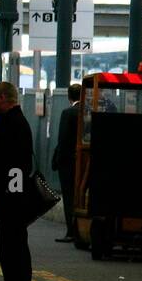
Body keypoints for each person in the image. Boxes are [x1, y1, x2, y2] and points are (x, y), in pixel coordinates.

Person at [0, 82, 33, 281]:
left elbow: (17, 164)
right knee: (12, 244)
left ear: (4, 97)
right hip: (10, 196)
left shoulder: (13, 124)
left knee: (13, 244)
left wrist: (9, 194)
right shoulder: (13, 122)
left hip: (11, 199)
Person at [51, 83, 82, 243]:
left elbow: (62, 140)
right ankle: (82, 229)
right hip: (83, 162)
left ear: (69, 96)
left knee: (69, 196)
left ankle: (71, 231)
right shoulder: (88, 112)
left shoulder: (68, 113)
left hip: (68, 162)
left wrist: (57, 160)